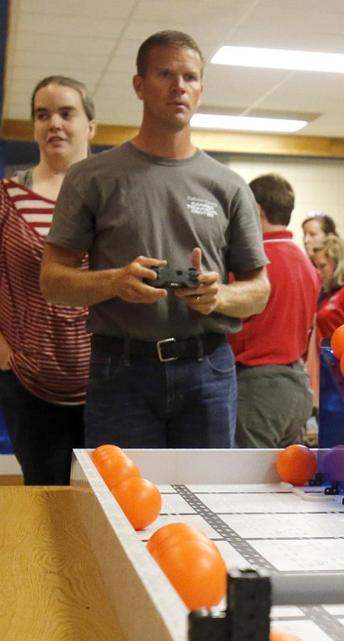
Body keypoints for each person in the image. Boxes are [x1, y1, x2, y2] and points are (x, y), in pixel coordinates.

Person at [41, 30, 269, 449]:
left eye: (190, 77)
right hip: (121, 371)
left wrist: (217, 297)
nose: (179, 86)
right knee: (120, 506)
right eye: (166, 74)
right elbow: (53, 280)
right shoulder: (92, 177)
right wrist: (114, 282)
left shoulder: (229, 186)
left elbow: (259, 291)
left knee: (208, 501)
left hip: (209, 372)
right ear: (139, 85)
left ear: (201, 90)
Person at [0, 76, 96, 484]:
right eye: (43, 115)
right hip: (28, 381)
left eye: (66, 113)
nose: (54, 123)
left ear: (90, 126)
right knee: (47, 496)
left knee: (109, 500)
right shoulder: (7, 197)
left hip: (109, 382)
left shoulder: (113, 197)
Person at [231, 173, 320, 448]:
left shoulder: (254, 264)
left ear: (256, 209)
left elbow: (229, 319)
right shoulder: (306, 263)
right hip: (296, 384)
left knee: (248, 483)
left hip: (259, 387)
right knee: (280, 483)